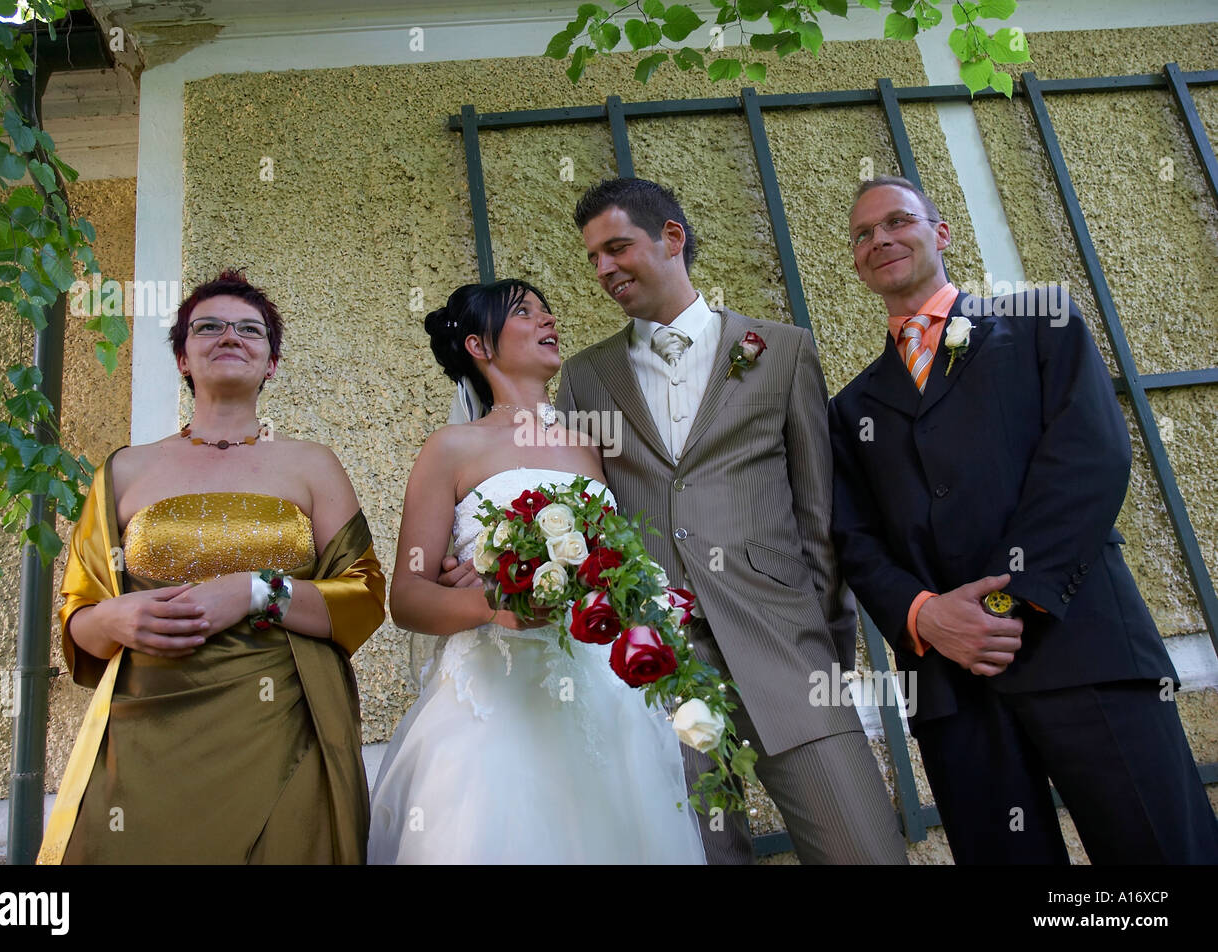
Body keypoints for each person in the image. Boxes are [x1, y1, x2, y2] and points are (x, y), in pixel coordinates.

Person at [829, 174, 1218, 864]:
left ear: (940, 232)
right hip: (952, 683)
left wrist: (1006, 600)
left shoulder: (1044, 324)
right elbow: (854, 539)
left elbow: (1089, 458)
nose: (879, 239)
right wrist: (926, 615)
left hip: (1081, 644)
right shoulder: (850, 408)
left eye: (896, 221)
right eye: (863, 234)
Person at [549, 177, 906, 865]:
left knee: (862, 847)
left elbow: (816, 513)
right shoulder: (585, 378)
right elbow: (590, 516)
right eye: (592, 257)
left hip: (786, 646)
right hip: (660, 667)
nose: (603, 269)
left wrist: (826, 647)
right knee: (704, 855)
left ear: (672, 238)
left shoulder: (782, 351)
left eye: (617, 247)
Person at [39, 269, 387, 865]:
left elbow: (365, 595)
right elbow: (78, 619)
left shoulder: (312, 465)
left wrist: (258, 590)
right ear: (182, 357)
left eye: (250, 329)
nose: (230, 336)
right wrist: (116, 618)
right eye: (209, 327)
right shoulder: (123, 470)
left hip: (284, 724)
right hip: (144, 732)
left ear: (272, 362)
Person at [368, 279, 706, 864]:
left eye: (548, 310)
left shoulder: (591, 444)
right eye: (525, 313)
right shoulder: (451, 448)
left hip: (603, 688)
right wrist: (492, 604)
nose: (548, 320)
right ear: (480, 345)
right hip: (497, 693)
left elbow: (623, 556)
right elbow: (407, 596)